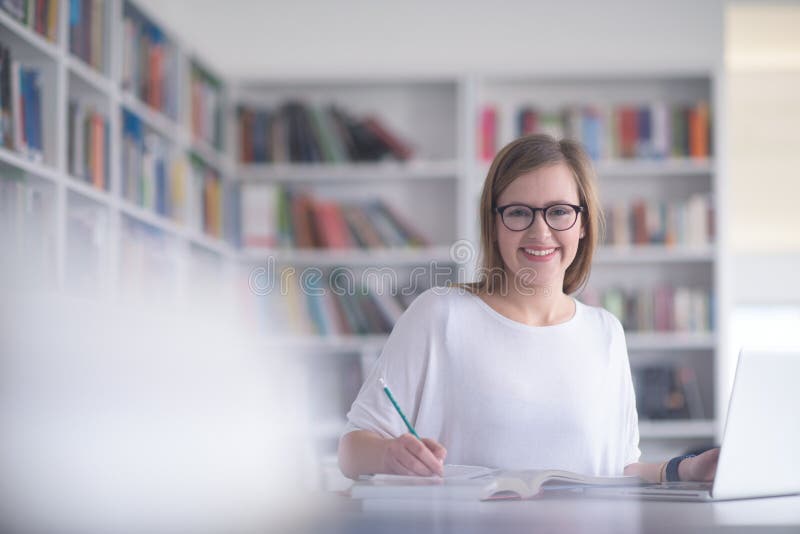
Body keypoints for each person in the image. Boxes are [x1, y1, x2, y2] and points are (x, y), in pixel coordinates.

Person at [337, 134, 719, 483]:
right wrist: (389, 454)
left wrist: (684, 469)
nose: (540, 231)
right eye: (519, 212)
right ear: (495, 223)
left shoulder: (605, 332)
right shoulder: (440, 315)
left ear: (582, 223)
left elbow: (615, 470)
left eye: (559, 211)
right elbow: (351, 451)